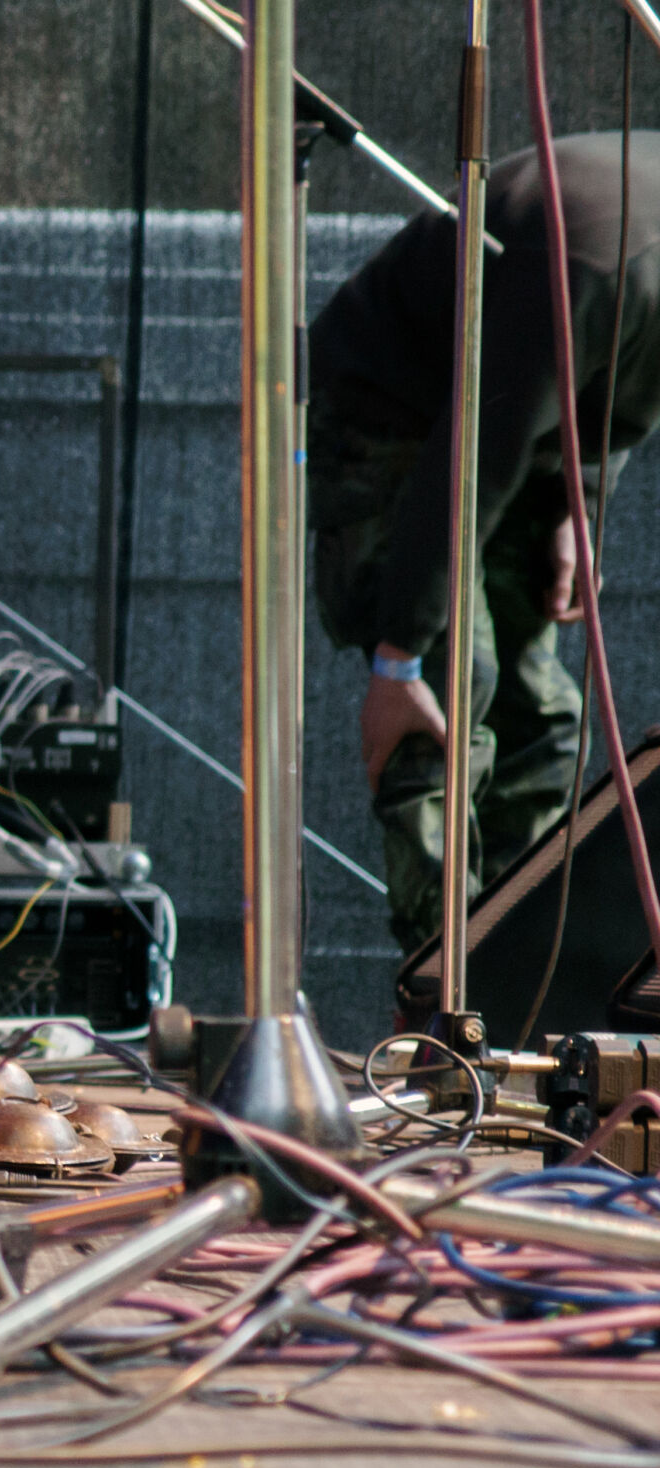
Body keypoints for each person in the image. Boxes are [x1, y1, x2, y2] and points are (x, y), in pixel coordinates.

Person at [308, 131, 660, 951]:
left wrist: (579, 508)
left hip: (513, 423)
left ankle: (523, 977)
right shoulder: (599, 268)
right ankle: (448, 1002)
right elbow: (467, 461)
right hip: (385, 405)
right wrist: (398, 660)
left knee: (541, 722)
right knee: (448, 694)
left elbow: (621, 399)